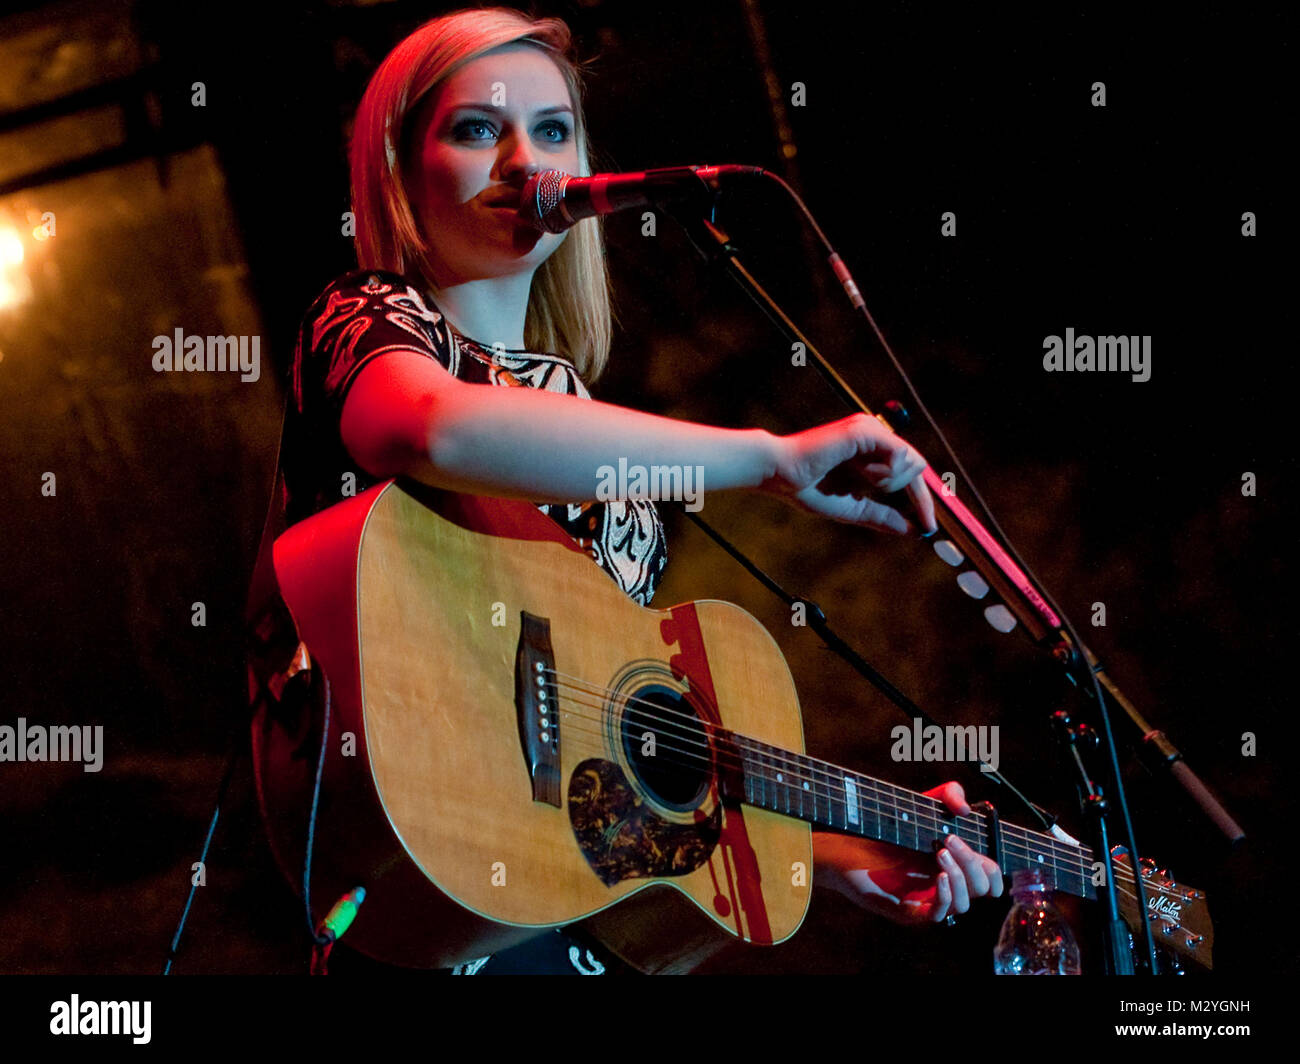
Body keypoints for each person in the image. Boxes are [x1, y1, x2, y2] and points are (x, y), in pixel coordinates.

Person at [281, 6, 1002, 974]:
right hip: (424, 897)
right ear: (398, 169)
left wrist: (831, 856)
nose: (524, 162)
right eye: (475, 129)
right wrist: (768, 458)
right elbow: (429, 426)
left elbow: (612, 764)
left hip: (569, 927)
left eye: (551, 130)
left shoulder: (582, 420)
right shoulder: (361, 317)